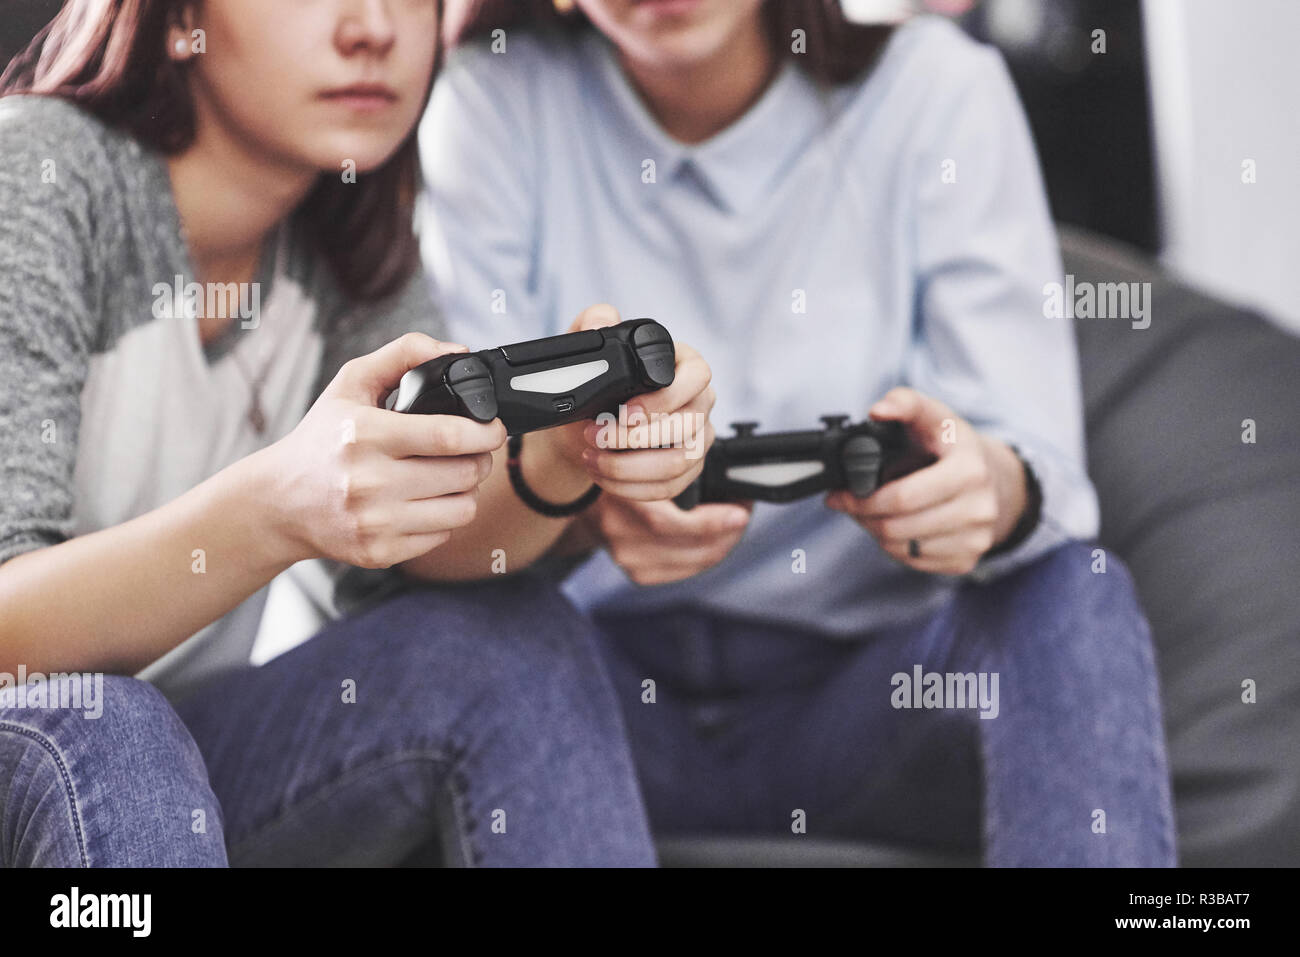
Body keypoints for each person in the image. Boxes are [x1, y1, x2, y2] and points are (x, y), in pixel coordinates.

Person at [420, 0, 1177, 865]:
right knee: (473, 643)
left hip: (872, 694)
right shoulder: (490, 103)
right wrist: (585, 516)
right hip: (595, 696)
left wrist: (986, 490)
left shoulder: (937, 91)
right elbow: (465, 486)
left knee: (1074, 592)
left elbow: (1038, 469)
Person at [0, 0, 718, 866]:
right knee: (115, 726)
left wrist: (563, 456)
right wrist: (272, 512)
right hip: (61, 746)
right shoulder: (35, 173)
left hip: (179, 759)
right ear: (182, 16)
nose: (373, 28)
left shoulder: (344, 234)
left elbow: (430, 551)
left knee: (511, 642)